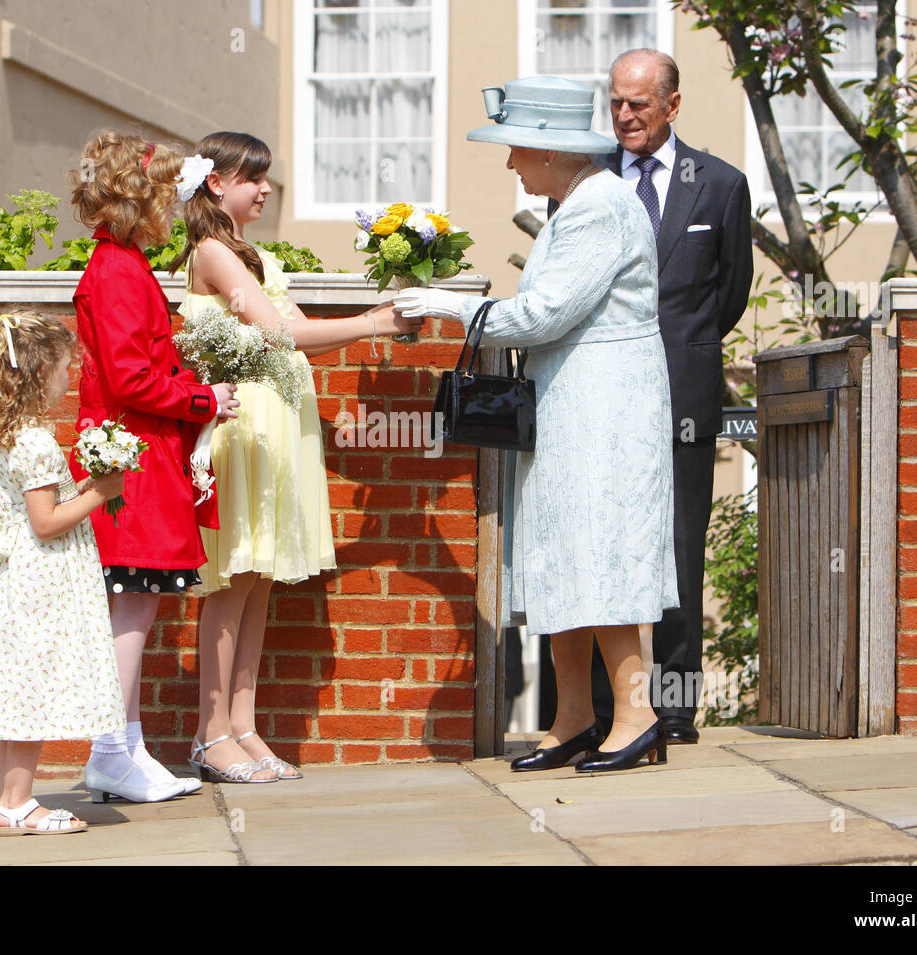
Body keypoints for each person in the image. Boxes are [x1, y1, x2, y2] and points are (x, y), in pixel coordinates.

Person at [396, 77, 679, 773]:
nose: (510, 162)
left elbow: (545, 314)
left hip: (605, 408)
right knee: (561, 554)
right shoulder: (574, 203)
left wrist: (448, 304)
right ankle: (576, 715)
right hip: (574, 402)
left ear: (551, 151)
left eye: (518, 147)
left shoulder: (597, 208)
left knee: (601, 553)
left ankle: (637, 716)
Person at [172, 131, 422, 783]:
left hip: (275, 427)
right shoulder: (212, 254)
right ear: (216, 183)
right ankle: (209, 731)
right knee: (229, 580)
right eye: (253, 177)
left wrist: (388, 300)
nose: (265, 189)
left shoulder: (254, 257)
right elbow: (280, 333)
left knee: (256, 581)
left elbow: (303, 334)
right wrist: (375, 320)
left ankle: (244, 725)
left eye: (267, 177)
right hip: (241, 429)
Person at [548, 50, 753, 745]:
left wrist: (675, 355)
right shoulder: (584, 182)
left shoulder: (722, 185)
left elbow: (728, 298)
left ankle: (672, 710)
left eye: (638, 103)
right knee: (599, 548)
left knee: (677, 552)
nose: (625, 115)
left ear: (672, 104)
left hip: (684, 395)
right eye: (616, 102)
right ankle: (605, 714)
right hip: (597, 398)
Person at [67, 131, 241, 802]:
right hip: (131, 461)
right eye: (164, 194)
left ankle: (125, 745)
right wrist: (203, 396)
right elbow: (131, 378)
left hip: (138, 455)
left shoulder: (122, 265)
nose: (174, 204)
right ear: (136, 200)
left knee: (133, 606)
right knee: (131, 609)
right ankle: (111, 748)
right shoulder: (116, 271)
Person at [0, 309, 128, 834]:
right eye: (64, 367)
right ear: (39, 374)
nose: (71, 377)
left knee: (23, 686)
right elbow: (46, 522)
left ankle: (11, 799)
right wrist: (102, 493)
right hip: (39, 580)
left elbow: (37, 507)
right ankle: (16, 803)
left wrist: (82, 488)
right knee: (32, 686)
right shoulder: (36, 441)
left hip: (18, 576)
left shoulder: (14, 435)